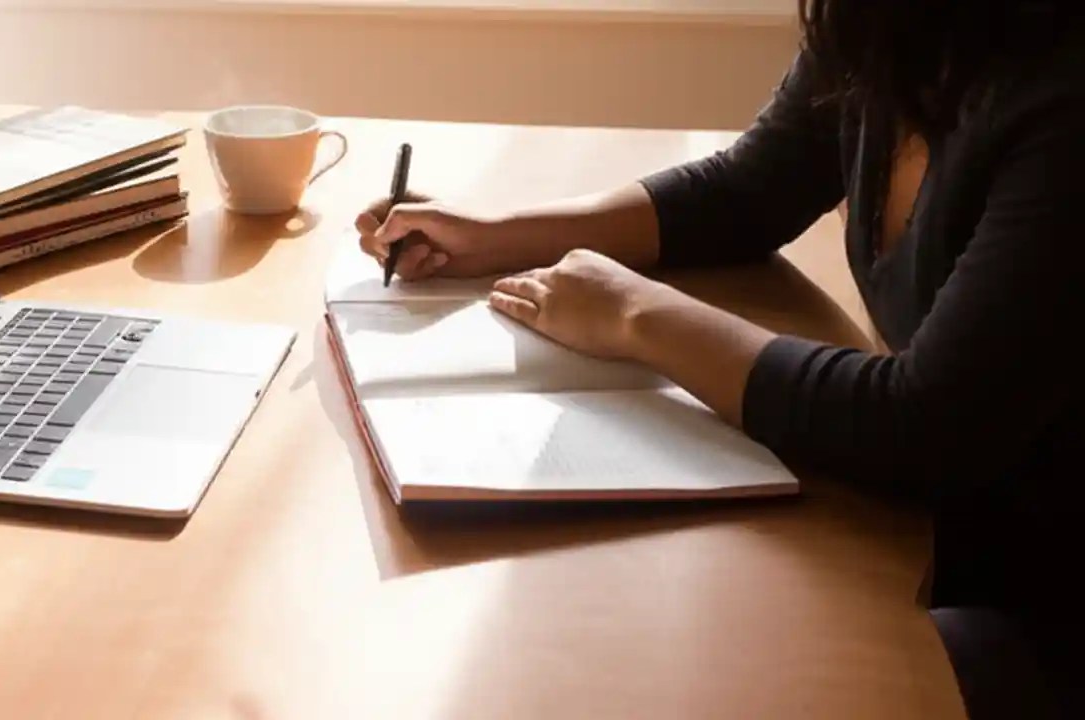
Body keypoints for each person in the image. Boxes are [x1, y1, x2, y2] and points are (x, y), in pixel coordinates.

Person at [355, 1, 1083, 715]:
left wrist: (641, 317)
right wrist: (494, 237)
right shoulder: (890, 27)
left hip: (1044, 600)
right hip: (949, 523)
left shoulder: (1060, 95)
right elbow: (749, 191)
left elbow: (925, 423)